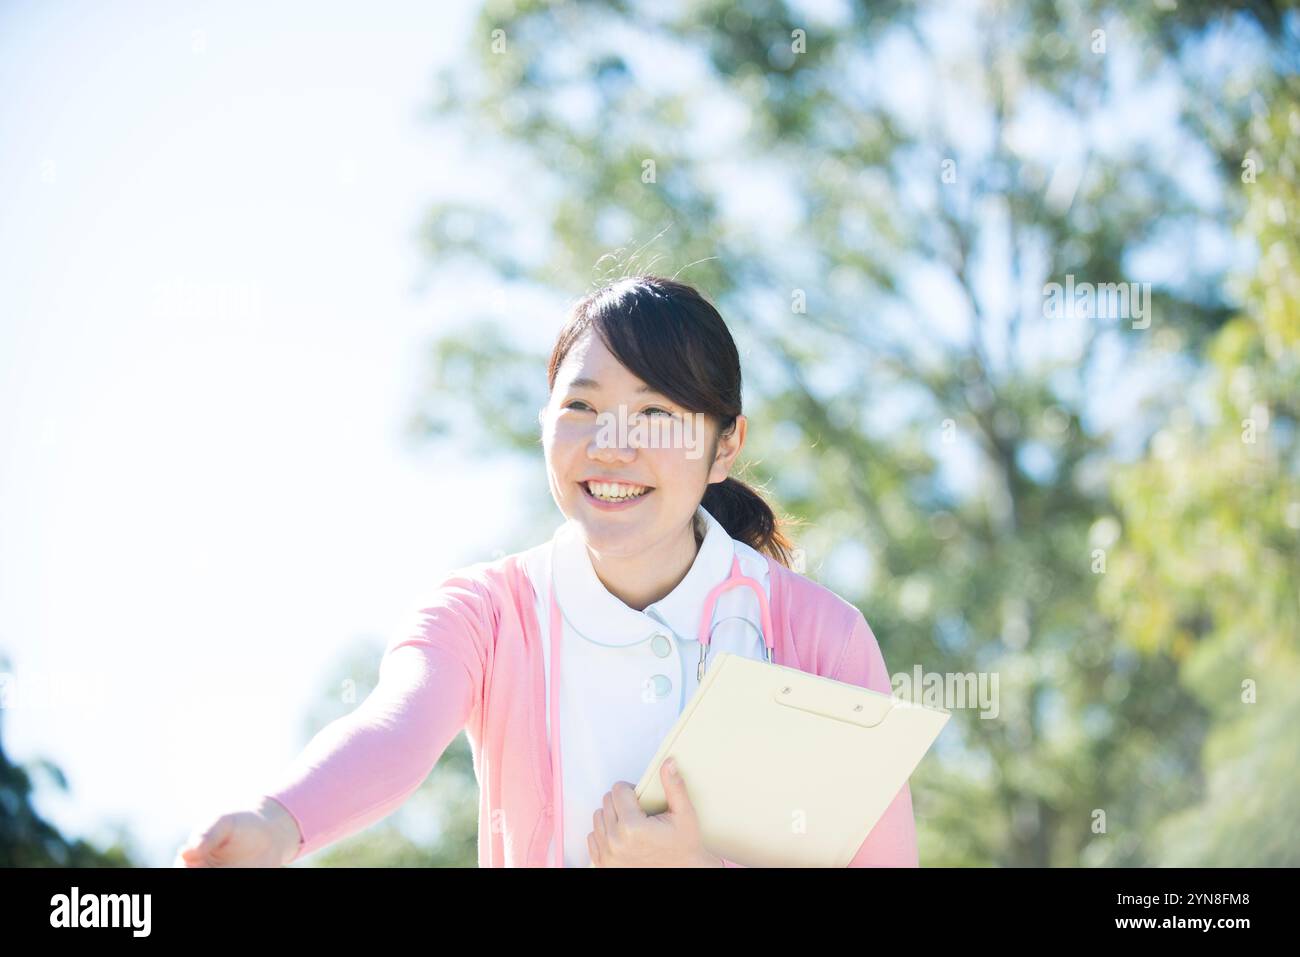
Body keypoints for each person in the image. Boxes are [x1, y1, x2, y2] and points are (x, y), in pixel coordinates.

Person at [176, 275, 918, 868]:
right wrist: (279, 822)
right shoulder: (483, 613)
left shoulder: (820, 638)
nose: (610, 445)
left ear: (725, 446)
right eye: (582, 406)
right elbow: (394, 729)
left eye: (655, 413)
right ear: (544, 424)